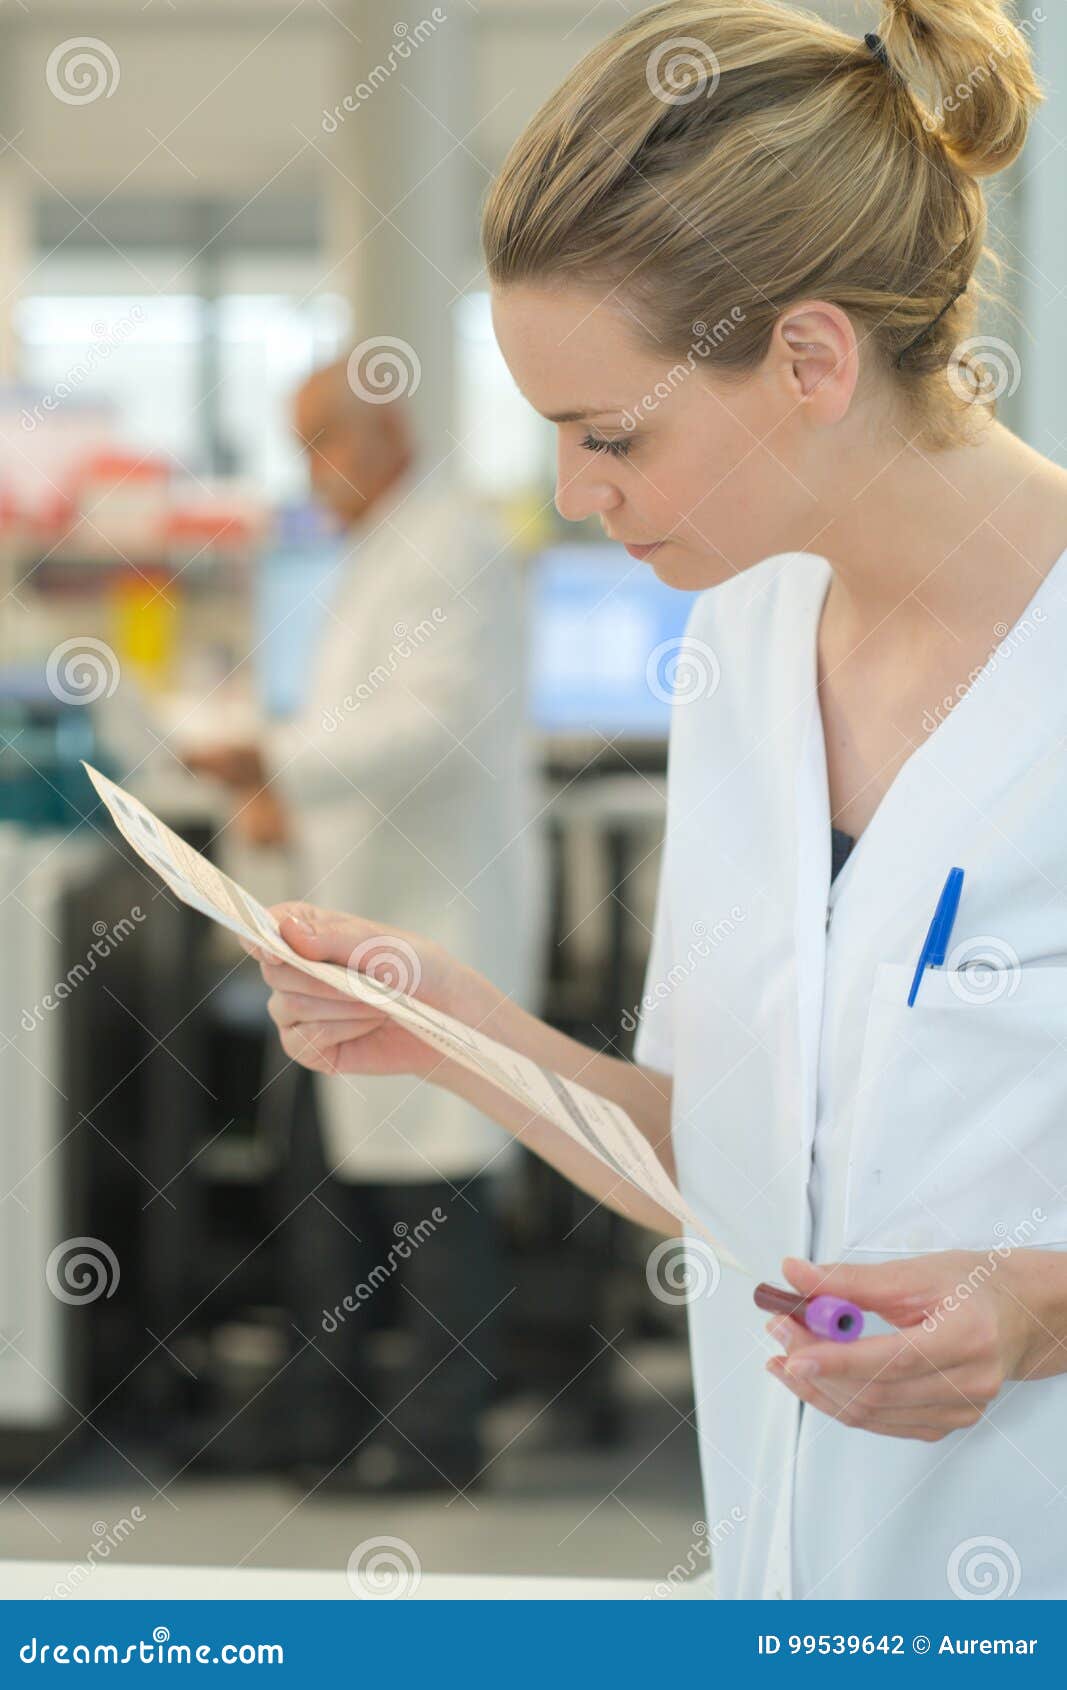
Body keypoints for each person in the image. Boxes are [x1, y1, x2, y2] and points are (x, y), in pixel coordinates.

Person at [244, 0, 1067, 1598]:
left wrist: (1035, 1310)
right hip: (781, 1588)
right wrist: (457, 1034)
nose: (571, 495)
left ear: (810, 358)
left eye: (609, 433)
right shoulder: (742, 643)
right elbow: (726, 1160)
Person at [189, 363, 538, 1492]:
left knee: (439, 1187)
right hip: (371, 910)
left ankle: (438, 1443)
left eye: (324, 440)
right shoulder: (381, 552)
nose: (310, 471)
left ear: (387, 432)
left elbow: (427, 734)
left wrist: (273, 759)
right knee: (338, 1176)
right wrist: (279, 788)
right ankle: (330, 1424)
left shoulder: (449, 546)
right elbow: (358, 737)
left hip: (437, 910)